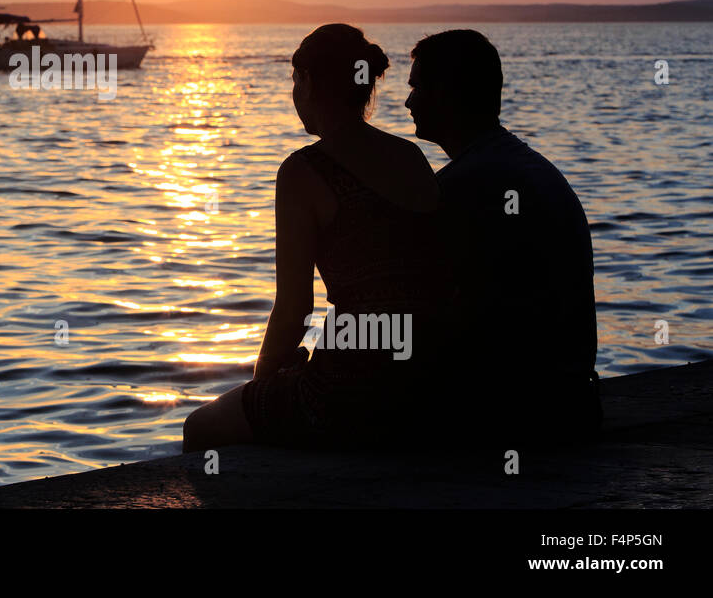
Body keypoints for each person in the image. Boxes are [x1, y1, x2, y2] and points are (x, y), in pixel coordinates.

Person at [183, 24, 454, 452]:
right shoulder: (412, 157)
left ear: (306, 81)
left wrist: (262, 386)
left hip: (355, 388)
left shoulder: (303, 172)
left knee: (200, 427)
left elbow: (294, 309)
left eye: (295, 80)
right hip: (434, 377)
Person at [405, 29, 600, 445]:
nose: (408, 102)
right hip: (569, 398)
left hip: (513, 409)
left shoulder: (465, 185)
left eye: (418, 87)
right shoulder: (524, 166)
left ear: (449, 94)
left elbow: (433, 311)